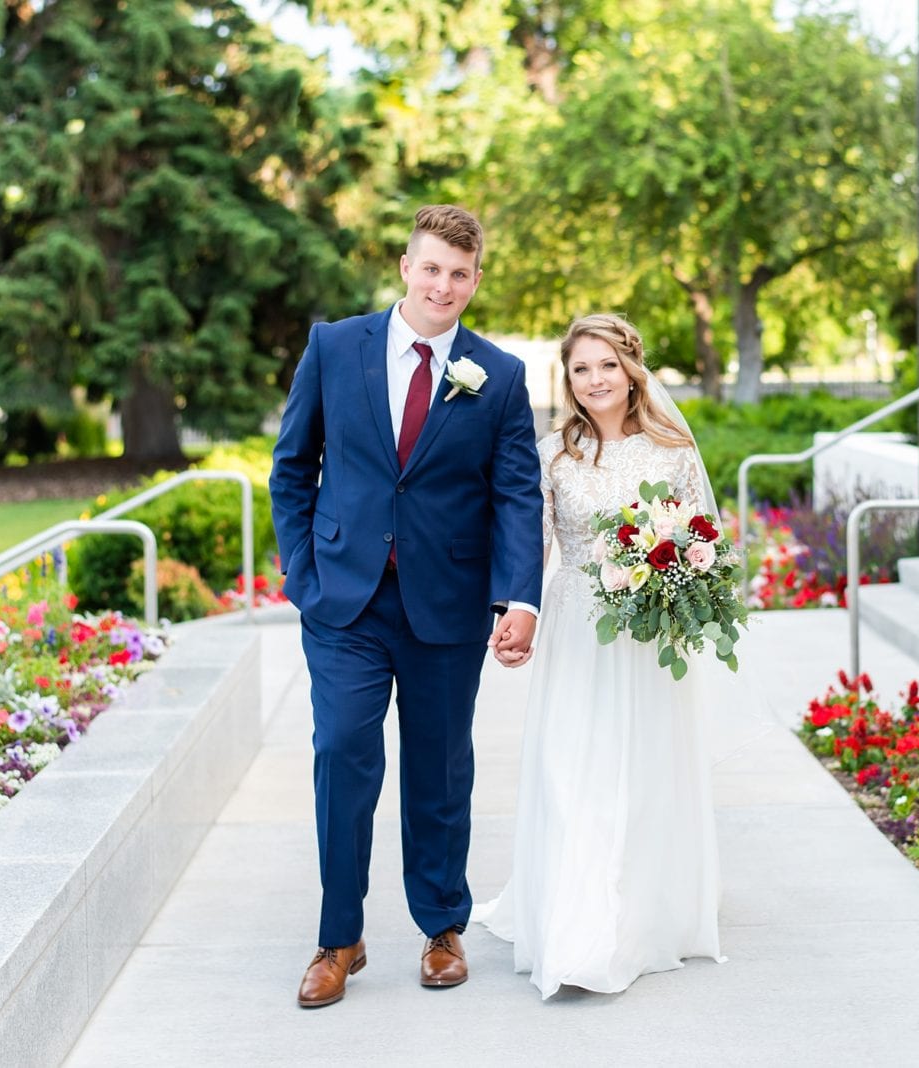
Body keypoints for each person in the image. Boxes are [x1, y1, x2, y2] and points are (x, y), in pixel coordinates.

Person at [269, 205, 544, 1008]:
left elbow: (516, 495)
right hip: (344, 603)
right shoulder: (334, 347)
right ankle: (338, 938)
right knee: (342, 758)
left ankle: (441, 927)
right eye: (431, 269)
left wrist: (518, 598)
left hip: (447, 606)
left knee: (440, 767)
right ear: (405, 267)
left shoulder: (499, 374)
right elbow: (293, 467)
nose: (444, 286)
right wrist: (303, 574)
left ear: (476, 281)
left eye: (460, 274)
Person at [475, 312, 724, 999]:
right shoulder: (552, 452)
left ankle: (637, 914)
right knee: (570, 766)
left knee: (639, 767)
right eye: (580, 369)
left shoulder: (671, 449)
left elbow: (701, 538)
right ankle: (574, 925)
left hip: (647, 636)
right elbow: (532, 544)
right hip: (577, 624)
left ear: (631, 367)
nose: (594, 380)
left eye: (606, 365)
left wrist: (674, 585)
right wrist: (513, 613)